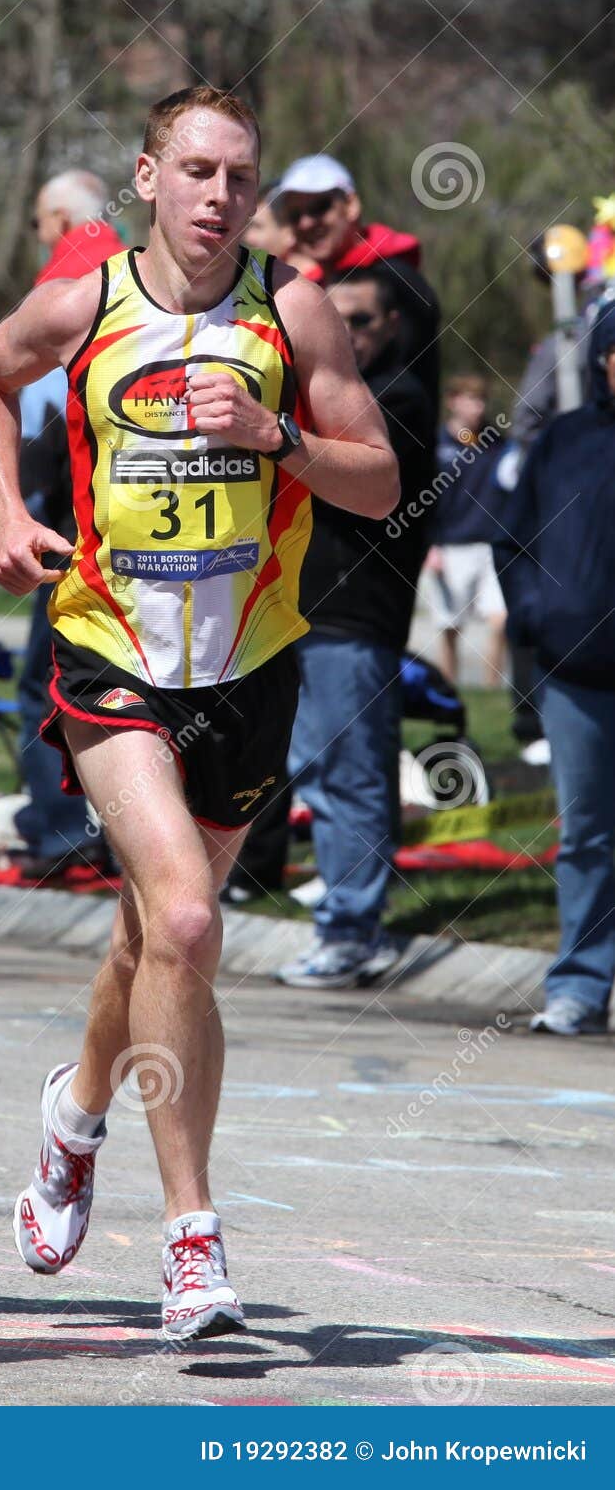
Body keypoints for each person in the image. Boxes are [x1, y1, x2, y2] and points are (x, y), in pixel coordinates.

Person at [0, 85, 398, 1340]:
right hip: (110, 650)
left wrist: (280, 440)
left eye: (239, 178)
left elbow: (377, 484)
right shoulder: (86, 303)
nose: (219, 197)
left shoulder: (290, 309)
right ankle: (193, 1238)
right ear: (146, 177)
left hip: (251, 664)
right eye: (196, 171)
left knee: (153, 941)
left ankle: (73, 1114)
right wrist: (1, 511)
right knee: (192, 918)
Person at [276, 266, 435, 987]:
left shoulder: (399, 400)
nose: (347, 335)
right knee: (313, 769)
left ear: (394, 326)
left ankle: (354, 931)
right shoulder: (317, 397)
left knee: (351, 775)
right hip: (295, 610)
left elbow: (346, 474)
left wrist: (271, 433)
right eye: (334, 322)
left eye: (362, 321)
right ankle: (340, 919)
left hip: (356, 616)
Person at [493, 305, 615, 1037]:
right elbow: (512, 539)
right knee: (589, 837)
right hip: (576, 674)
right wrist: (539, 614)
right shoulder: (565, 441)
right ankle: (579, 983)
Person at [15, 171, 124, 880]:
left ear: (57, 220)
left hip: (69, 530)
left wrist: (15, 514)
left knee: (46, 686)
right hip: (142, 530)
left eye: (35, 225)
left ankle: (64, 832)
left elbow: (34, 423)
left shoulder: (57, 293)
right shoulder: (144, 278)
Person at [276, 152, 441, 407]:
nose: (306, 223)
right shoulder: (313, 284)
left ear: (351, 205)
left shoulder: (395, 278)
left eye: (320, 207)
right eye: (295, 215)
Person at [422, 373, 507, 687]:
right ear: (453, 401)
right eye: (470, 399)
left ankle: (492, 689)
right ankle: (449, 690)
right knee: (450, 627)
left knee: (501, 622)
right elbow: (423, 500)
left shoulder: (498, 444)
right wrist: (430, 546)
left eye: (481, 399)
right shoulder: (435, 446)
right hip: (449, 546)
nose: (477, 406)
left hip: (491, 545)